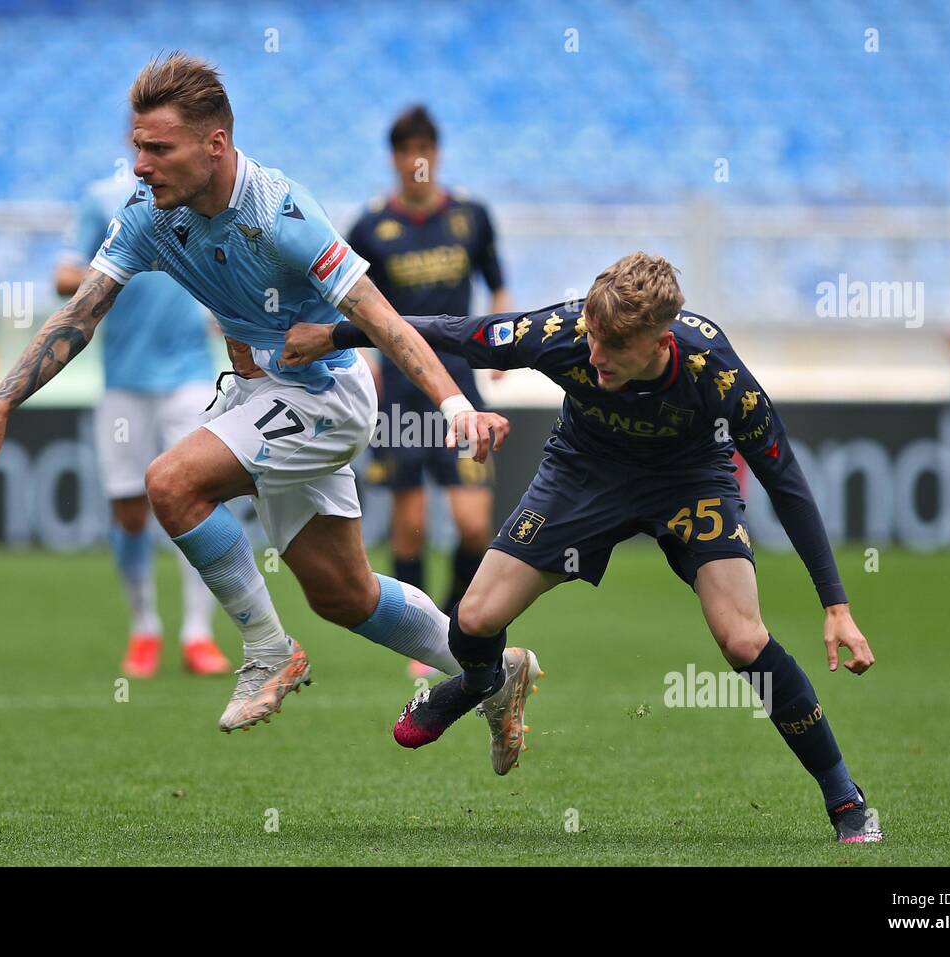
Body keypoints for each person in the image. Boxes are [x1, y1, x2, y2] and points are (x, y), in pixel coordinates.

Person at [0, 52, 535, 752]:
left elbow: (383, 319)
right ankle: (497, 671)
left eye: (157, 148)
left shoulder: (283, 215)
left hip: (327, 394)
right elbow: (79, 314)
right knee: (344, 595)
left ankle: (266, 650)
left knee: (171, 481)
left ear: (214, 144)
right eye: (137, 146)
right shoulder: (147, 216)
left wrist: (451, 402)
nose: (139, 164)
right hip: (264, 389)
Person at [282, 251, 884, 839]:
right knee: (474, 619)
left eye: (613, 347)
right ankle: (484, 681)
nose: (594, 355)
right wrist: (336, 336)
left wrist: (836, 605)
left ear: (660, 341)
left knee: (744, 640)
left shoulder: (715, 372)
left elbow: (785, 478)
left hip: (689, 481)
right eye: (591, 337)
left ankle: (844, 798)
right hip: (584, 473)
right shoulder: (563, 332)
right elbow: (455, 332)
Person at [347, 107, 509, 661]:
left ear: (436, 154)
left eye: (425, 150)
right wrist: (367, 363)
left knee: (472, 524)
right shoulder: (370, 227)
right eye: (405, 151)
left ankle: (453, 619)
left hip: (459, 387)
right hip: (400, 391)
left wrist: (502, 346)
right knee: (410, 524)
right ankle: (423, 641)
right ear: (394, 158)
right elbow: (355, 303)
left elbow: (498, 285)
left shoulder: (471, 216)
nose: (416, 160)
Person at [55, 160, 229, 678]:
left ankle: (198, 635)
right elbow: (64, 274)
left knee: (198, 501)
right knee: (130, 509)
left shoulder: (201, 194)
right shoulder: (105, 199)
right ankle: (144, 626)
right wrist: (112, 267)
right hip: (124, 380)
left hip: (192, 375)